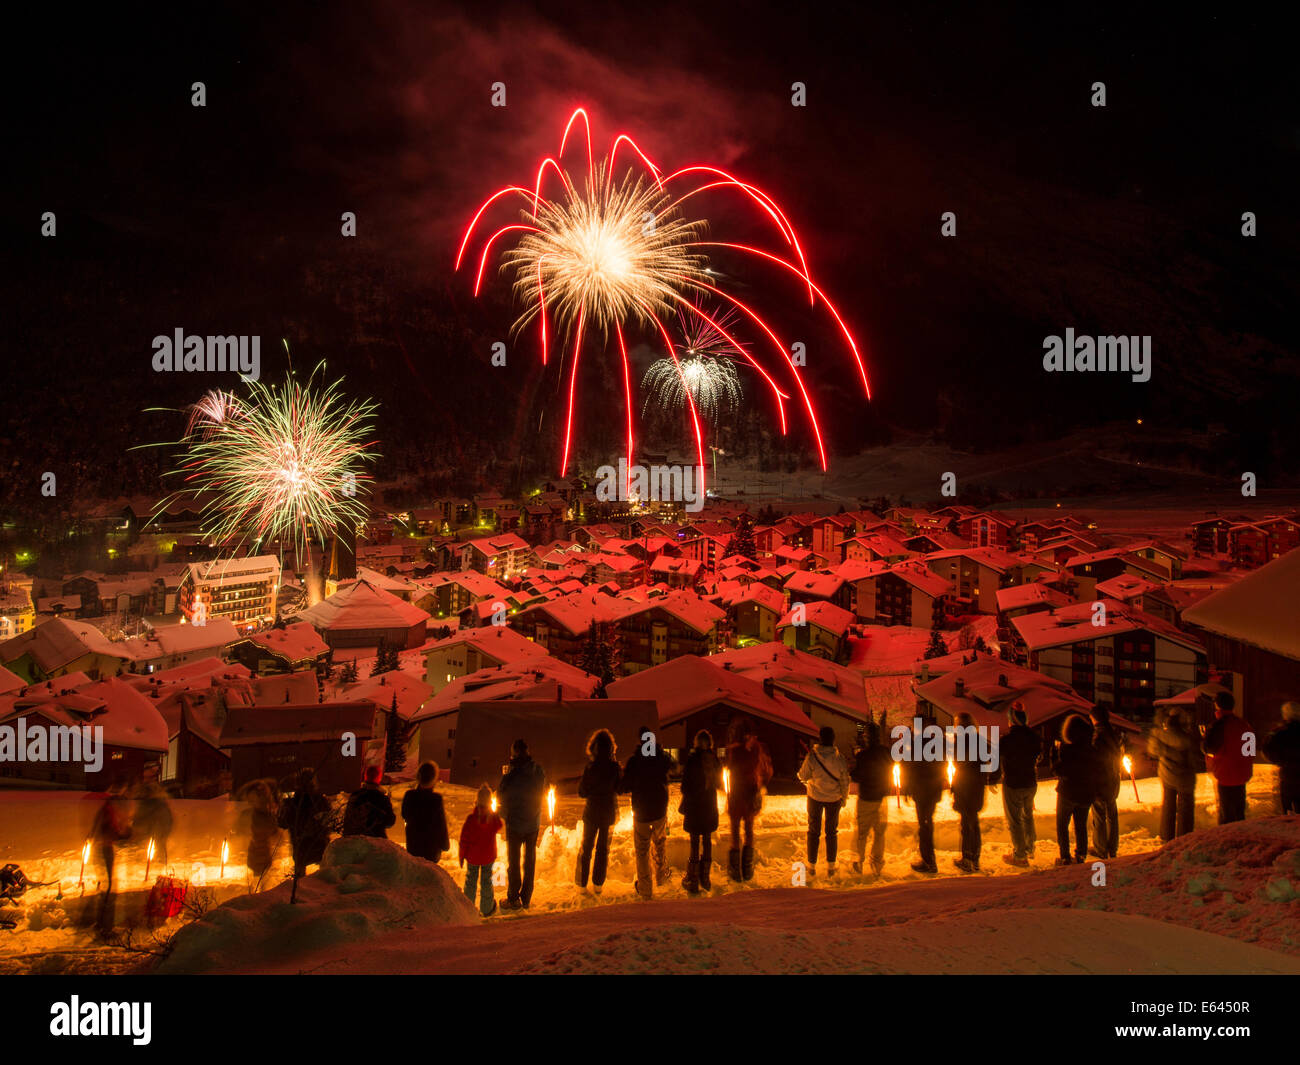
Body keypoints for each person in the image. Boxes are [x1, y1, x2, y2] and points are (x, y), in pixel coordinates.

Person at [620, 724, 676, 899]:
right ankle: (661, 878)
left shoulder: (635, 761)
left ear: (640, 742)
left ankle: (645, 889)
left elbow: (625, 785)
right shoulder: (660, 758)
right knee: (660, 844)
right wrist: (658, 751)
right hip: (659, 809)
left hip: (642, 811)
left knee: (642, 850)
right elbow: (673, 765)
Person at [497, 739, 546, 910]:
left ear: (515, 753)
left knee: (514, 861)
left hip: (516, 823)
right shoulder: (538, 771)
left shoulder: (512, 774)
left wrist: (505, 776)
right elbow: (541, 792)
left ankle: (513, 898)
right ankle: (526, 897)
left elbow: (501, 796)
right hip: (533, 823)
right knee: (530, 860)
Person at [798, 726, 851, 876]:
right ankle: (831, 867)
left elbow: (802, 775)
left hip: (815, 797)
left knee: (813, 831)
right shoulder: (839, 758)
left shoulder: (812, 757)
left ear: (820, 739)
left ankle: (811, 866)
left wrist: (809, 782)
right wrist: (844, 797)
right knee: (831, 832)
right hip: (834, 799)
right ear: (833, 739)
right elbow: (844, 780)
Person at [724, 720, 773, 882]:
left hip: (736, 793)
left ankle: (735, 870)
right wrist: (760, 783)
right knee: (749, 829)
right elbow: (767, 770)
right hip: (751, 792)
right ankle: (748, 868)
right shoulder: (757, 748)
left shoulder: (733, 750)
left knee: (735, 829)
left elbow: (729, 769)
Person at [1051, 713, 1100, 865]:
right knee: (1081, 825)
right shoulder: (1092, 749)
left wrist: (1053, 756)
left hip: (1068, 793)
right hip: (1086, 794)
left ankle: (1065, 856)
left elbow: (1060, 771)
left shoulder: (1068, 749)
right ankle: (1081, 855)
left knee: (1062, 825)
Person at [576, 730, 621, 894]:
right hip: (608, 812)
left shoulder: (590, 768)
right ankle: (598, 884)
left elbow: (582, 792)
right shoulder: (615, 767)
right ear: (611, 748)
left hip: (591, 812)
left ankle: (582, 884)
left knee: (586, 847)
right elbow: (620, 788)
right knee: (603, 849)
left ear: (594, 747)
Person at [1147, 706, 1200, 840]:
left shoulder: (1159, 735)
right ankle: (1184, 836)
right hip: (1185, 776)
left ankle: (1166, 836)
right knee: (1185, 808)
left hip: (1167, 774)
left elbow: (1153, 751)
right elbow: (1196, 753)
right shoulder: (1188, 738)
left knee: (1168, 806)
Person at [679, 729, 722, 894]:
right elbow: (719, 783)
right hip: (710, 806)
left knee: (694, 842)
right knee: (707, 840)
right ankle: (706, 878)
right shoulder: (715, 760)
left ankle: (693, 880)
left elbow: (684, 786)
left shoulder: (692, 760)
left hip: (695, 807)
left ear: (696, 743)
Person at [849, 721, 893, 877]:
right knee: (879, 833)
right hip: (881, 798)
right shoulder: (886, 753)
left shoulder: (863, 755)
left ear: (867, 737)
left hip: (866, 798)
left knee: (862, 832)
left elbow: (856, 775)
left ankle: (859, 861)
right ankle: (877, 863)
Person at [999, 703, 1040, 867]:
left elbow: (997, 757)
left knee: (1015, 820)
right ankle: (1029, 848)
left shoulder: (1007, 740)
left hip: (1013, 783)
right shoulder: (1034, 738)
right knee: (1028, 815)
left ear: (1011, 721)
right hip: (1030, 782)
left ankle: (1020, 855)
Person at [89, 778, 131, 937]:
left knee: (106, 887)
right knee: (109, 889)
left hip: (101, 849)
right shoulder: (109, 810)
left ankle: (100, 924)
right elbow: (111, 832)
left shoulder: (105, 809)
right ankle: (106, 928)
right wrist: (125, 833)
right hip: (105, 850)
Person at [276, 768, 332, 888]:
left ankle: (297, 896)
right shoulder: (321, 801)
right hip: (319, 846)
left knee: (299, 882)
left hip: (300, 847)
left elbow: (282, 823)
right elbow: (329, 822)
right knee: (324, 879)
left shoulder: (293, 803)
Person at [1204, 691, 1254, 824]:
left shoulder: (1218, 726)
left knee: (1226, 815)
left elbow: (1208, 747)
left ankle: (1228, 840)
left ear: (1218, 706)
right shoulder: (1244, 725)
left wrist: (1205, 736)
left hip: (1225, 774)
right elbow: (1250, 751)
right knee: (1239, 811)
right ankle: (1242, 836)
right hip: (1242, 775)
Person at [904, 722, 944, 874]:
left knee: (924, 825)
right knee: (927, 823)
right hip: (932, 791)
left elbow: (911, 769)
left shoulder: (915, 747)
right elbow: (941, 768)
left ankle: (928, 861)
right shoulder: (935, 747)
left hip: (922, 791)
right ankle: (928, 859)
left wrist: (909, 788)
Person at [459, 785, 504, 917]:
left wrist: (462, 857)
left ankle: (469, 907)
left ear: (476, 801)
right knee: (487, 881)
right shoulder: (493, 819)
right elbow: (500, 824)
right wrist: (492, 812)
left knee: (470, 880)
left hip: (472, 857)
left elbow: (464, 841)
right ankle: (487, 908)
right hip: (488, 857)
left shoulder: (470, 820)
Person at [951, 711, 987, 873]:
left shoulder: (960, 742)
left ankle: (968, 859)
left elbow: (960, 764)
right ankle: (975, 858)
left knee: (967, 824)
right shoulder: (980, 741)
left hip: (965, 786)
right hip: (977, 786)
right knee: (973, 822)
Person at [1088, 706, 1124, 859]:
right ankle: (1113, 848)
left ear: (1095, 718)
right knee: (1112, 815)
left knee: (1099, 816)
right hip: (1114, 779)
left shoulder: (1098, 736)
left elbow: (1095, 760)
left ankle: (1101, 849)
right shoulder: (1115, 734)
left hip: (1101, 781)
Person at [402, 761, 451, 862]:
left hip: (413, 846)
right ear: (434, 779)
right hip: (432, 850)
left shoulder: (409, 796)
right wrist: (445, 844)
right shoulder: (435, 800)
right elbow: (441, 824)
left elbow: (405, 815)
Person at [242, 779, 282, 887]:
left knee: (261, 878)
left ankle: (259, 890)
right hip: (260, 852)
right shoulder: (261, 815)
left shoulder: (263, 814)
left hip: (261, 852)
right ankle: (259, 890)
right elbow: (271, 831)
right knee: (261, 878)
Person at [1263, 701, 1300, 814]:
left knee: (1288, 809)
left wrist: (1281, 761)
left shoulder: (1280, 733)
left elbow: (1267, 750)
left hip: (1288, 776)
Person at [343, 764, 397, 839]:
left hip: (354, 839)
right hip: (375, 841)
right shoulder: (381, 798)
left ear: (365, 776)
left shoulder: (355, 796)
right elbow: (390, 822)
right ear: (379, 777)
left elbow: (348, 820)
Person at [132, 775, 173, 868]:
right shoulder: (158, 804)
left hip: (154, 832)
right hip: (153, 832)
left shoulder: (153, 804)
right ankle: (157, 866)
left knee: (156, 849)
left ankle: (158, 867)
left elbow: (166, 819)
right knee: (156, 849)